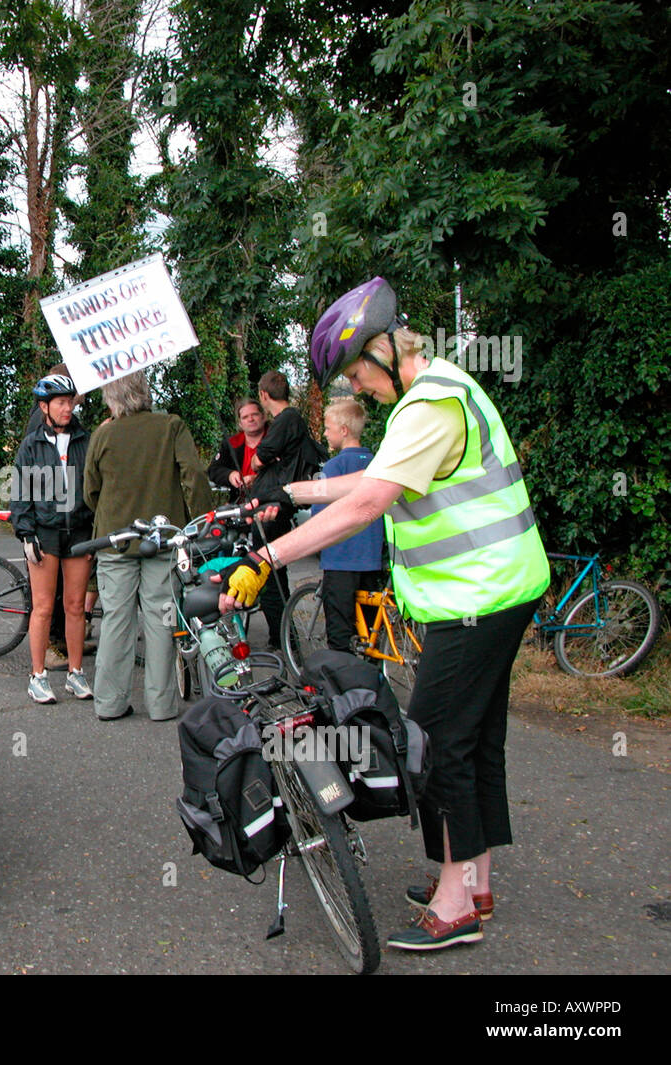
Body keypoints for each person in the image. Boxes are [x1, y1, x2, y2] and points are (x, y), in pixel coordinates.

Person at [218, 277, 549, 951]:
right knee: (477, 738)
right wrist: (289, 492)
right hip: (502, 590)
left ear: (378, 352)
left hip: (475, 599)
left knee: (435, 741)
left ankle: (456, 905)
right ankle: (474, 879)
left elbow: (369, 505)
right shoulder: (447, 388)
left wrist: (268, 558)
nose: (357, 389)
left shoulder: (427, 407)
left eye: (355, 374)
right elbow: (369, 483)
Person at [83, 371, 211, 722]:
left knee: (115, 622)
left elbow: (90, 491)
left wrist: (109, 513)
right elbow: (194, 476)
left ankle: (109, 702)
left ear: (112, 399)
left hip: (116, 540)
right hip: (162, 538)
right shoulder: (171, 426)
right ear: (145, 392)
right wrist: (198, 521)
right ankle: (161, 705)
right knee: (161, 620)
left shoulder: (103, 434)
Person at [10, 374, 95, 704]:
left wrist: (96, 526)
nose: (67, 407)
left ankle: (76, 673)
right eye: (60, 402)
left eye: (70, 401)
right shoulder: (32, 445)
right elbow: (20, 493)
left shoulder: (85, 440)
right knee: (44, 607)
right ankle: (38, 675)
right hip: (45, 532)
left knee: (75, 607)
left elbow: (96, 486)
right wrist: (25, 532)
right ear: (44, 406)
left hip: (79, 531)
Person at [245, 371, 320, 647]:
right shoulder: (292, 421)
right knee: (274, 571)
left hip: (272, 507)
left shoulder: (286, 419)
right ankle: (283, 635)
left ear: (264, 395)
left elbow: (258, 460)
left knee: (268, 570)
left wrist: (260, 461)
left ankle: (282, 637)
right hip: (276, 500)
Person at [311, 397, 386, 652]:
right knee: (370, 632)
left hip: (340, 560)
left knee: (340, 633)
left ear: (343, 431)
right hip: (371, 559)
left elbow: (319, 514)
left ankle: (344, 685)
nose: (325, 433)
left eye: (328, 428)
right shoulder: (378, 464)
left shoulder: (333, 467)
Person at [208, 396, 268, 504]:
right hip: (239, 505)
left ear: (263, 417)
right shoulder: (232, 443)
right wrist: (230, 475)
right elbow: (213, 470)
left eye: (255, 414)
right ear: (240, 423)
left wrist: (257, 480)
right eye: (245, 417)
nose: (250, 419)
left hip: (270, 502)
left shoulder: (275, 440)